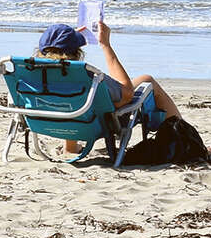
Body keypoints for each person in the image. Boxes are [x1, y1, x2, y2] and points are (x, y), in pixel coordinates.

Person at [33, 19, 180, 148]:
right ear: (77, 53)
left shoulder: (30, 76)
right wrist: (105, 45)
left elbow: (58, 59)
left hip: (49, 122)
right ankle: (185, 135)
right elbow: (126, 93)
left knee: (67, 95)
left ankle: (70, 147)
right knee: (147, 79)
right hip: (95, 124)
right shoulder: (87, 77)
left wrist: (68, 41)